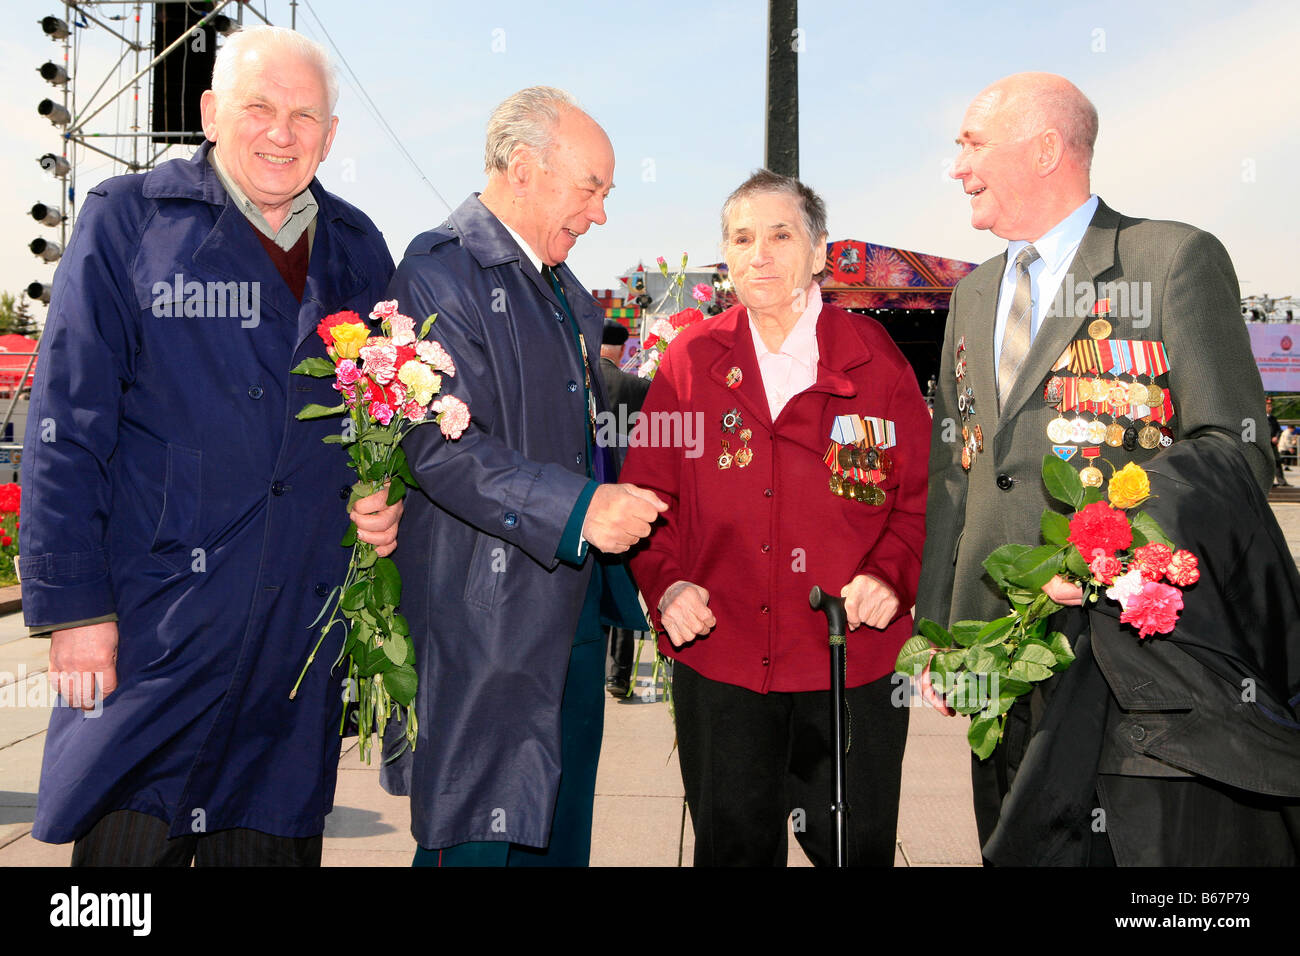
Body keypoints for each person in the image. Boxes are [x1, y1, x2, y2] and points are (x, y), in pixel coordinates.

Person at [18, 25, 400, 866]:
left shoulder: (362, 249)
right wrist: (77, 611)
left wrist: (386, 494)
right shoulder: (129, 221)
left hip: (293, 651)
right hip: (158, 634)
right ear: (210, 111)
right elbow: (66, 426)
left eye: (305, 117)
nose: (281, 132)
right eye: (258, 107)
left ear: (331, 137)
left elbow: (386, 420)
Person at [916, 72, 1282, 864]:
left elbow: (1235, 448)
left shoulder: (1169, 258)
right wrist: (939, 630)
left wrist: (1099, 556)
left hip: (1123, 658)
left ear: (1045, 149)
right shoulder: (972, 294)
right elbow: (959, 468)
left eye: (973, 144)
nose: (957, 168)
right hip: (997, 652)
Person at [379, 87, 663, 866]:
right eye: (591, 188)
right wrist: (579, 511)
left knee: (557, 835)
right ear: (525, 168)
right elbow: (438, 445)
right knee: (477, 838)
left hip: (567, 615)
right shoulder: (439, 272)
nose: (600, 213)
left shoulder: (566, 291)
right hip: (486, 625)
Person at [620, 170, 931, 866]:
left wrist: (891, 576)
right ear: (725, 258)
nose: (759, 253)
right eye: (742, 237)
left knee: (856, 852)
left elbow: (918, 501)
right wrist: (666, 585)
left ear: (819, 252)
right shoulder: (689, 362)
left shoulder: (876, 362)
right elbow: (645, 498)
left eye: (781, 234)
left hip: (851, 667)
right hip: (724, 664)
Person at [598, 319, 651, 696]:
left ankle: (587, 669)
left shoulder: (575, 383)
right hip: (629, 497)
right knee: (626, 585)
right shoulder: (639, 388)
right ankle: (618, 674)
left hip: (584, 499)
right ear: (621, 349)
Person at [1268, 397, 1290, 486]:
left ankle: (1282, 481)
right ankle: (1269, 482)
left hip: (1273, 445)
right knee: (1267, 463)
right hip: (1266, 444)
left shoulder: (1273, 418)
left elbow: (1279, 430)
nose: (1270, 408)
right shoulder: (1259, 418)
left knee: (1277, 462)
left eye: (1271, 406)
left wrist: (1276, 437)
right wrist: (1269, 438)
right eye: (1268, 406)